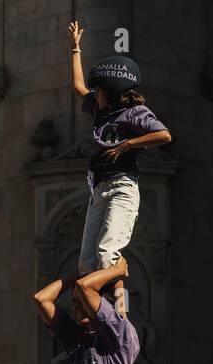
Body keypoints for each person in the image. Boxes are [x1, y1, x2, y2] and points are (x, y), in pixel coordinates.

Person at [66, 21, 172, 293]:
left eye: (99, 91)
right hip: (98, 189)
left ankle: (119, 304)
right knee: (87, 263)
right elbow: (78, 86)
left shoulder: (135, 113)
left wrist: (128, 144)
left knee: (106, 253)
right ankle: (99, 309)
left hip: (121, 186)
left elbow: (164, 136)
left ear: (111, 95)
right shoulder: (100, 111)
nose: (95, 94)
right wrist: (75, 49)